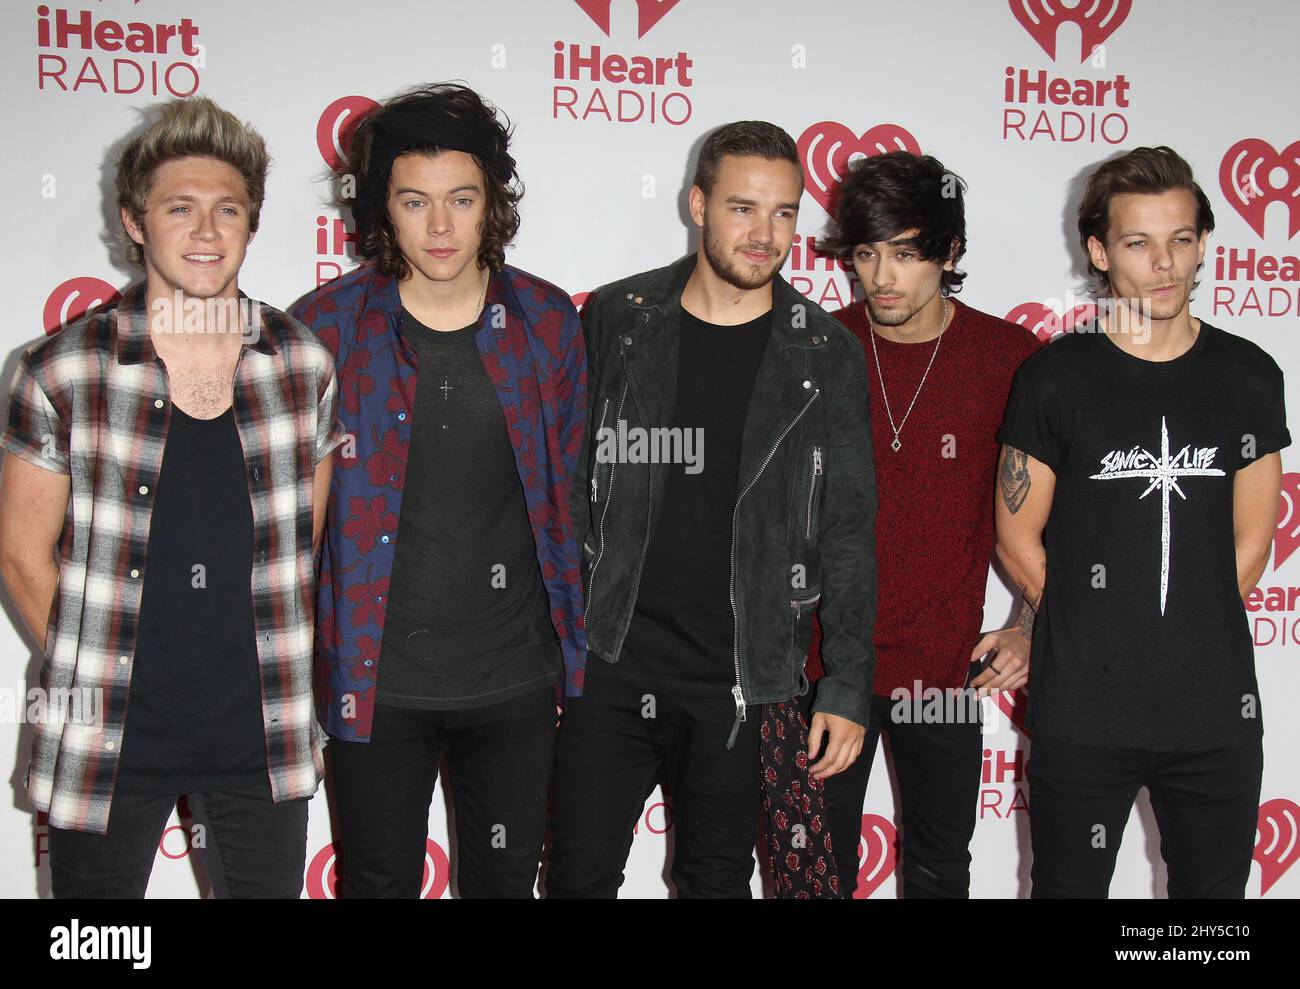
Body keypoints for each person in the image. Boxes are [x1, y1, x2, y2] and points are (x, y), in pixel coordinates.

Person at [0, 96, 344, 897]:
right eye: (179, 208)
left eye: (228, 210)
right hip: (108, 733)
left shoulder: (302, 364)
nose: (206, 231)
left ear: (251, 227)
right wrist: (113, 668)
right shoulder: (60, 369)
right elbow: (21, 557)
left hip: (260, 732)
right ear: (133, 220)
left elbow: (301, 543)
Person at [547, 121, 875, 899]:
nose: (764, 235)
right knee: (576, 876)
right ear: (697, 204)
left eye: (785, 213)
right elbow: (565, 486)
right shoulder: (620, 319)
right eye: (742, 208)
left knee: (715, 880)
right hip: (610, 661)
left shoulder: (822, 352)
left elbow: (850, 528)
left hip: (746, 674)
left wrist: (846, 683)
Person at [292, 83, 586, 898]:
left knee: (503, 883)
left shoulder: (548, 323)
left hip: (515, 681)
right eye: (415, 202)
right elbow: (293, 528)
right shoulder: (326, 328)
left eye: (462, 199)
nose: (442, 227)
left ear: (494, 199)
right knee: (377, 881)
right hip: (374, 681)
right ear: (382, 208)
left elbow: (575, 504)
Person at [996, 145, 1288, 897]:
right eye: (1137, 242)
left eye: (1181, 240)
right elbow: (1018, 537)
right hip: (1081, 712)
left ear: (1201, 245)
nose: (1164, 263)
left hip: (1215, 712)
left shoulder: (1247, 375)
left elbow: (1252, 543)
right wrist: (1088, 630)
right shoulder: (1055, 377)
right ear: (1099, 251)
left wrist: (1182, 633)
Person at [805, 150, 1041, 897]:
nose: (881, 276)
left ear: (950, 252)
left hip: (941, 671)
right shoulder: (816, 344)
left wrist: (1032, 620)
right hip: (823, 668)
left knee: (942, 868)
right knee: (817, 873)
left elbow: (1054, 518)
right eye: (867, 254)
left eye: (905, 254)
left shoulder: (1008, 357)